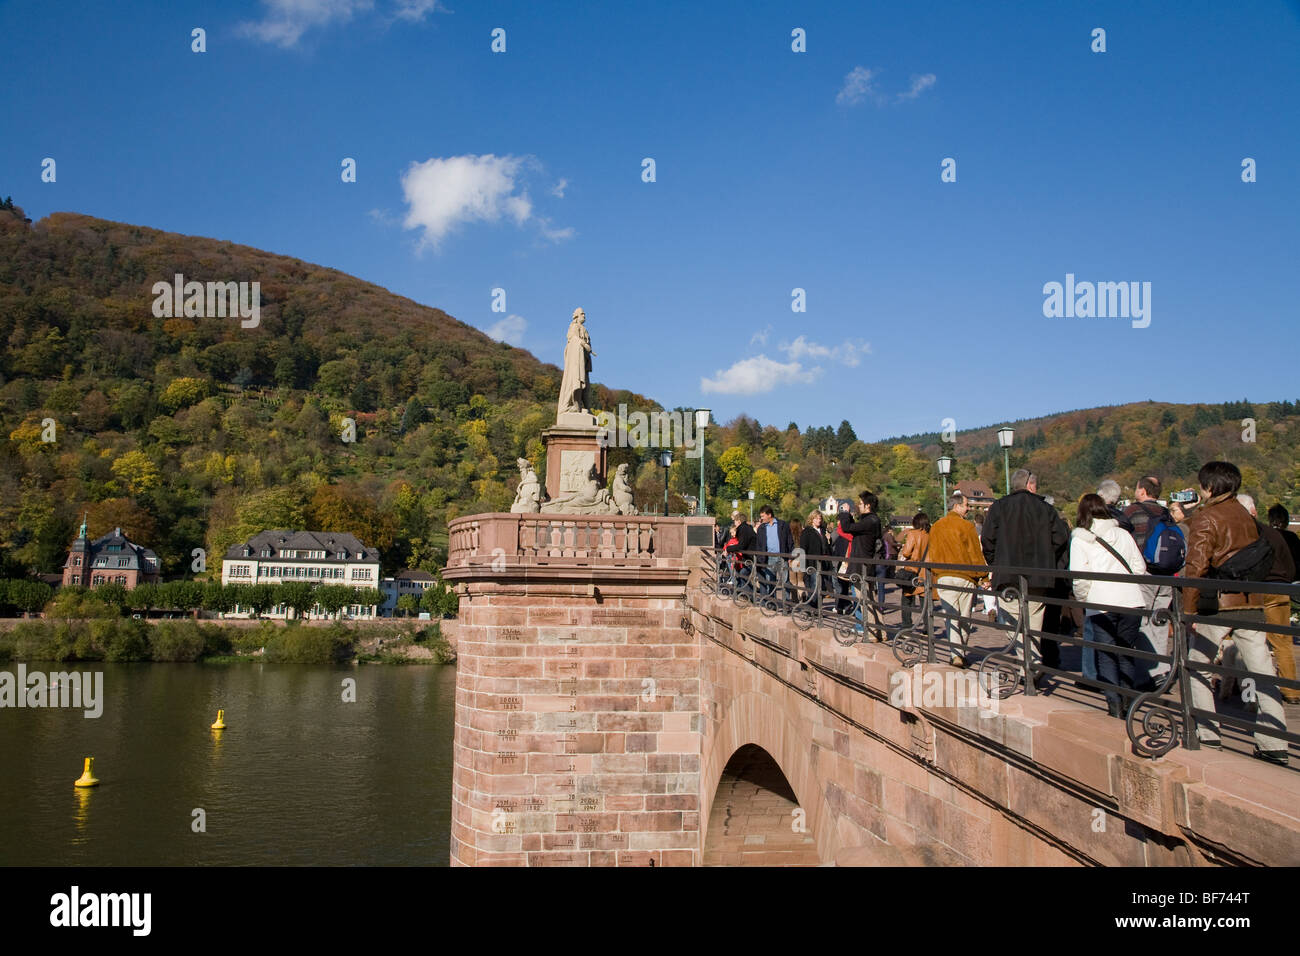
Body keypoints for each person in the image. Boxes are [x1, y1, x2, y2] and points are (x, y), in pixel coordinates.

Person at [1181, 462, 1288, 765]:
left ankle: (1207, 731)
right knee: (1261, 670)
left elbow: (1196, 568)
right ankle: (1274, 741)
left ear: (1209, 488)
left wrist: (1188, 612)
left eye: (1201, 486)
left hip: (1218, 604)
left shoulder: (1205, 518)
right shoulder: (1246, 515)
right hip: (1252, 601)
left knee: (1198, 665)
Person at [980, 469, 1071, 683]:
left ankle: (1028, 664)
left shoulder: (999, 507)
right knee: (1034, 621)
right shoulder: (1045, 509)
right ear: (1030, 485)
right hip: (1039, 576)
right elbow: (1061, 539)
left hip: (1007, 576)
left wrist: (997, 564)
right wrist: (1047, 560)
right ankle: (1031, 663)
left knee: (1011, 620)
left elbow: (987, 540)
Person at [1070, 494, 1149, 718]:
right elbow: (1139, 567)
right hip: (1132, 601)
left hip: (1101, 600)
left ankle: (1114, 703)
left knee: (1106, 653)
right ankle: (1127, 699)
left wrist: (1085, 598)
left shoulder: (1081, 539)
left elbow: (1080, 577)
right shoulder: (1124, 534)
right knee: (1126, 651)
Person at [1121, 476, 1181, 686]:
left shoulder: (1131, 512)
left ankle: (1153, 672)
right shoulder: (1166, 513)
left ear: (1142, 491)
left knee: (1143, 620)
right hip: (1166, 574)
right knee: (1161, 620)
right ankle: (1163, 667)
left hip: (1144, 572)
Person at [1239, 496, 1299, 705]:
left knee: (1251, 642)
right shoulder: (1281, 536)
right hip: (1281, 588)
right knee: (1282, 642)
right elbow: (1292, 566)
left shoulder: (1247, 533)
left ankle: (1250, 694)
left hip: (1255, 591)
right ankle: (1291, 691)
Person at [928, 492, 988, 666]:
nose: (968, 508)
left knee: (951, 616)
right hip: (965, 576)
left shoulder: (937, 526)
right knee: (966, 616)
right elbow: (975, 553)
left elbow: (933, 553)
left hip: (944, 576)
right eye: (966, 505)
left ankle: (956, 654)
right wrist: (983, 576)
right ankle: (959, 651)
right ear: (957, 506)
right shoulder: (967, 527)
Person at [839, 492, 884, 640]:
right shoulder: (872, 520)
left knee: (864, 599)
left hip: (861, 565)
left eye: (860, 503)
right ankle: (880, 632)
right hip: (866, 564)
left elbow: (846, 528)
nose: (858, 505)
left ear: (868, 505)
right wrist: (850, 517)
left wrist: (845, 513)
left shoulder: (870, 521)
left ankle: (871, 633)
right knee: (871, 599)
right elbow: (853, 528)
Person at [898, 512, 930, 629]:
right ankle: (927, 627)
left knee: (907, 599)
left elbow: (906, 552)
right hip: (925, 572)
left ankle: (906, 626)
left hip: (912, 571)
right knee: (924, 602)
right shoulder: (930, 534)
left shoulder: (913, 534)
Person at [756, 504, 795, 598]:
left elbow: (789, 540)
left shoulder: (783, 525)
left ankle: (787, 604)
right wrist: (761, 558)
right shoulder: (761, 528)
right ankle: (772, 604)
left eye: (763, 516)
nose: (761, 518)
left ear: (769, 515)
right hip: (769, 558)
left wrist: (790, 556)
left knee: (785, 581)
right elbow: (759, 544)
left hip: (782, 557)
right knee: (770, 582)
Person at [799, 509, 832, 605]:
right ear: (812, 519)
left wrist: (829, 540)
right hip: (812, 563)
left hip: (824, 562)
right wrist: (803, 564)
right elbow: (803, 548)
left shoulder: (823, 530)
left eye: (820, 518)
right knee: (814, 585)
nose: (819, 520)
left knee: (822, 585)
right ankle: (813, 607)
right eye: (816, 518)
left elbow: (827, 546)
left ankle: (818, 607)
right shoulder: (807, 532)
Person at [725, 510, 757, 590]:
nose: (734, 524)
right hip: (751, 556)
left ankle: (750, 596)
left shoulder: (742, 529)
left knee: (743, 575)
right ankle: (748, 595)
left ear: (738, 521)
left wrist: (728, 548)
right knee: (742, 575)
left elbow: (741, 546)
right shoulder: (747, 527)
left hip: (750, 557)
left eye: (735, 521)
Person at [877, 524, 899, 606]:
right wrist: (900, 545)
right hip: (888, 555)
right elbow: (892, 544)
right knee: (881, 585)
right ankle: (881, 606)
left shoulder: (883, 536)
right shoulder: (888, 535)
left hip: (879, 559)